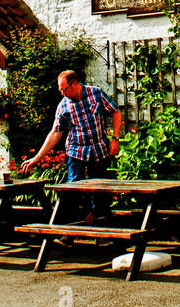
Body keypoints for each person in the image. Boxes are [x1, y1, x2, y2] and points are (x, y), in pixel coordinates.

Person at [19, 71, 121, 222]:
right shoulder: (63, 106)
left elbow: (115, 111)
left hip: (99, 148)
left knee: (100, 189)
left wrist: (115, 139)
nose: (62, 93)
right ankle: (66, 227)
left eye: (64, 89)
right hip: (76, 150)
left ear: (74, 84)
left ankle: (97, 221)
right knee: (72, 188)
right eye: (60, 90)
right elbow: (55, 132)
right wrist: (37, 158)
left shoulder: (96, 93)